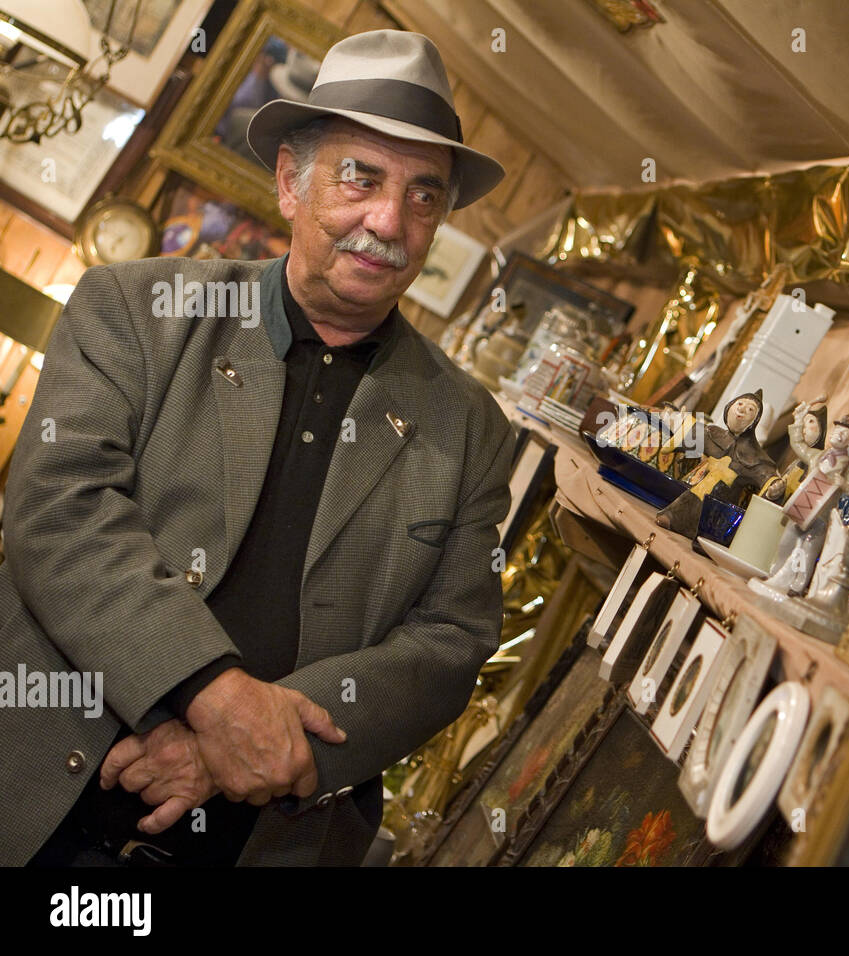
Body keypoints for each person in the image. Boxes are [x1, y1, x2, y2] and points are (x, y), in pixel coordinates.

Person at [1, 29, 512, 866]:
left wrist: (236, 748)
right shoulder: (135, 307)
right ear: (289, 181)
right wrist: (212, 696)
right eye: (362, 177)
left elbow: (451, 644)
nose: (388, 221)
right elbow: (61, 510)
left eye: (424, 195)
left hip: (260, 838)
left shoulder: (472, 431)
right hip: (32, 788)